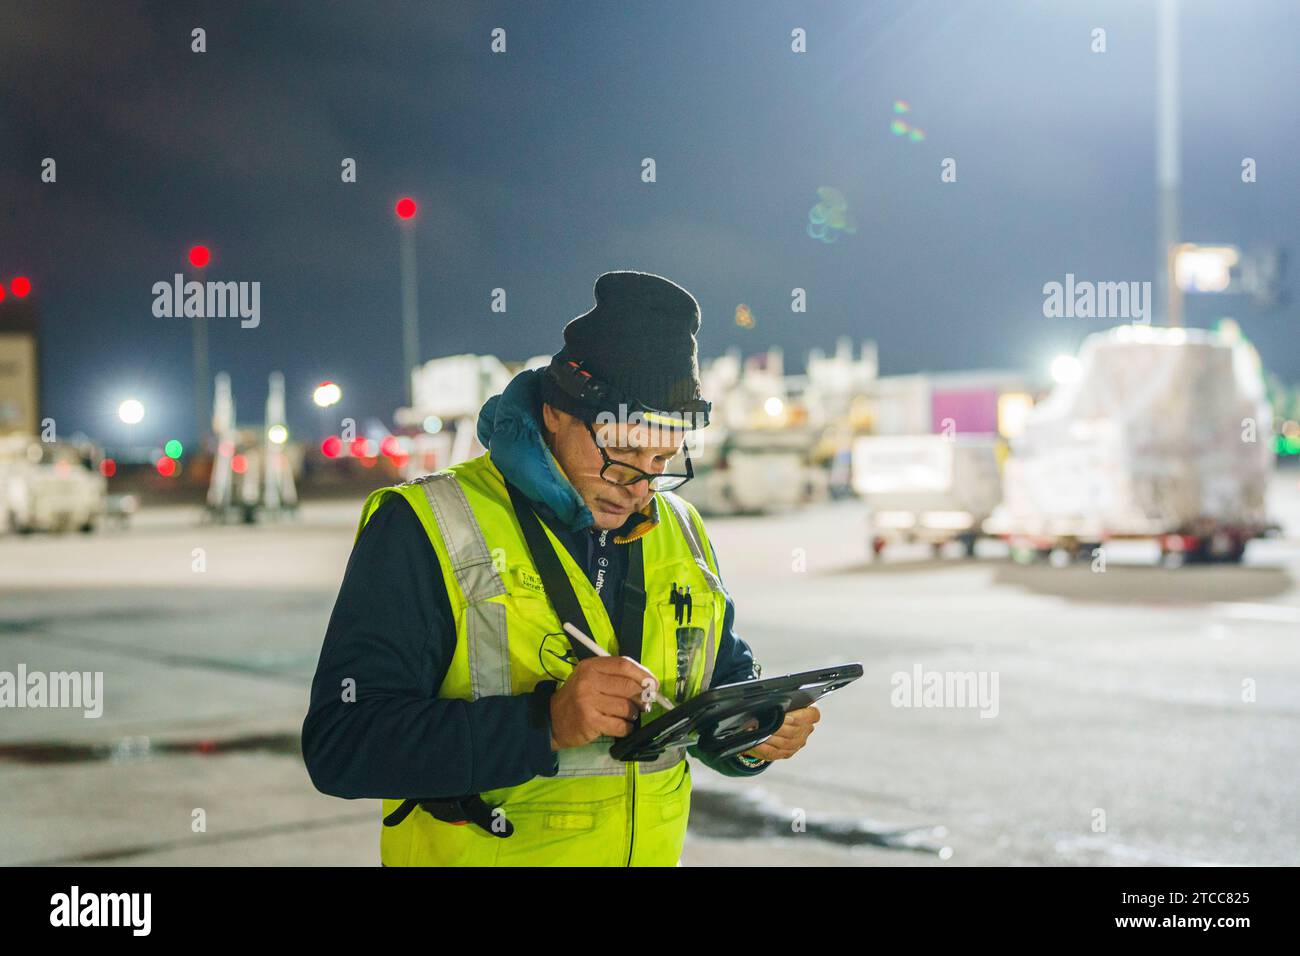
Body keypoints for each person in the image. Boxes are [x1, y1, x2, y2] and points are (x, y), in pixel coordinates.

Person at [302, 270, 820, 866]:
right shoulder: (428, 524)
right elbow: (342, 744)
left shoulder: (680, 527)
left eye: (661, 459)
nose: (638, 487)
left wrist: (754, 731)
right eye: (622, 453)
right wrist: (541, 723)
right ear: (555, 412)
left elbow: (711, 690)